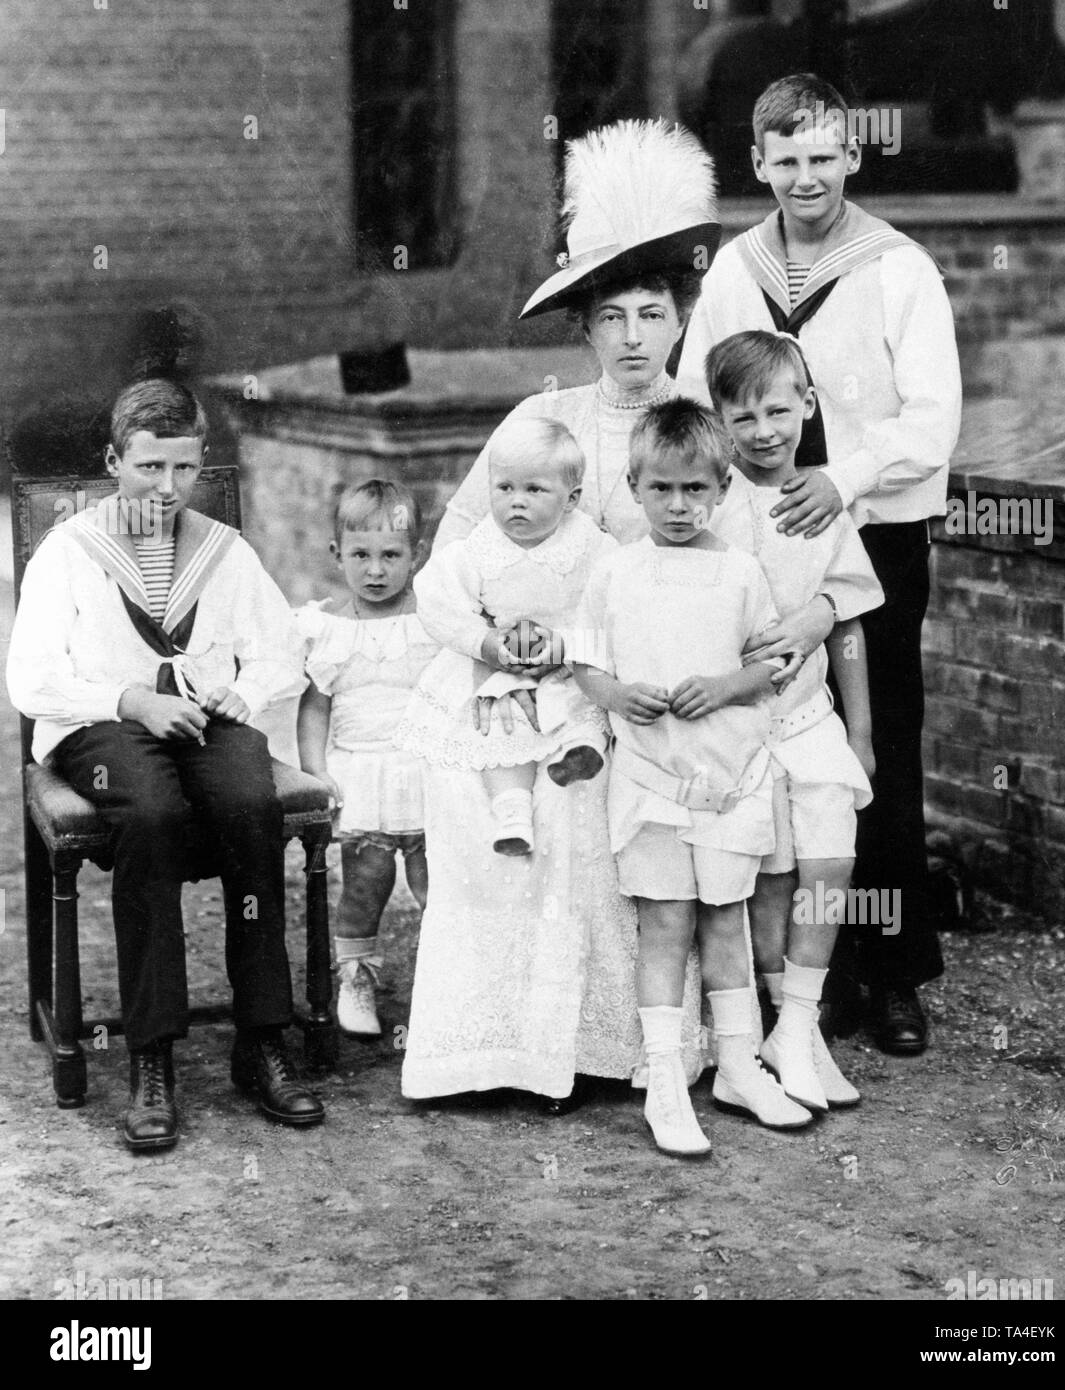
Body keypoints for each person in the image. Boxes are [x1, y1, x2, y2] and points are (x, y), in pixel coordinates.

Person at [399, 120, 724, 1109]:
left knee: (592, 786)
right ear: (582, 330)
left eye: (652, 313)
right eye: (612, 316)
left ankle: (613, 1041)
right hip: (525, 673)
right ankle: (497, 1043)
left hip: (643, 687)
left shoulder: (695, 431)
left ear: (679, 321)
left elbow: (731, 576)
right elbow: (459, 546)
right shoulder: (542, 426)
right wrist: (507, 637)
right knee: (492, 784)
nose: (632, 336)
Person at [678, 73, 962, 1055]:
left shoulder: (897, 268)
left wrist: (844, 479)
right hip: (761, 537)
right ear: (759, 166)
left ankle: (891, 973)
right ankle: (811, 972)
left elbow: (932, 419)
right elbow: (694, 399)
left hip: (869, 531)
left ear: (851, 155)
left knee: (873, 747)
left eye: (823, 157)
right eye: (785, 161)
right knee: (776, 744)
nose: (806, 179)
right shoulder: (731, 274)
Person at [6, 379, 324, 1152]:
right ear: (114, 461)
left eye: (183, 469)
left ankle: (261, 1038)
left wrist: (241, 695)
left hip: (206, 721)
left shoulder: (221, 549)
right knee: (148, 814)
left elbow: (281, 648)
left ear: (200, 463)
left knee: (250, 804)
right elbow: (32, 678)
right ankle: (152, 1054)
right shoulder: (71, 549)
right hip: (101, 724)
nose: (167, 488)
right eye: (149, 468)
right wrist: (132, 700)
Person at [573, 399, 815, 1157]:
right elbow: (584, 662)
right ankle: (667, 1078)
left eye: (695, 491)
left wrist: (724, 684)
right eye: (661, 490)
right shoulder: (614, 571)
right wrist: (614, 695)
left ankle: (740, 1064)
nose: (678, 507)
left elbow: (771, 664)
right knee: (666, 923)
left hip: (728, 779)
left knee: (726, 921)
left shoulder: (740, 571)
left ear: (721, 488)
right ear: (634, 487)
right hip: (651, 784)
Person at [707, 330, 884, 1110]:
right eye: (742, 417)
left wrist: (864, 732)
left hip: (809, 717)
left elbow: (846, 618)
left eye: (778, 411)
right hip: (740, 726)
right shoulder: (708, 503)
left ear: (807, 407)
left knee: (829, 860)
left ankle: (802, 1018)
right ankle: (789, 1033)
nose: (764, 431)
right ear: (718, 420)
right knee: (767, 877)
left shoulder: (816, 500)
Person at [400, 418, 612, 858]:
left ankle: (580, 754)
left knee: (580, 708)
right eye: (504, 488)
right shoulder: (478, 548)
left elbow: (617, 609)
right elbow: (436, 603)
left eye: (534, 490)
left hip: (568, 664)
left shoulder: (595, 548)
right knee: (498, 726)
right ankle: (512, 811)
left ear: (571, 499)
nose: (516, 502)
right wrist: (485, 643)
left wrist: (568, 646)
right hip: (502, 660)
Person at [295, 480, 438, 1038]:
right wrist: (317, 772)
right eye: (360, 555)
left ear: (416, 555)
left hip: (428, 766)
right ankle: (355, 976)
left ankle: (443, 982)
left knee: (437, 882)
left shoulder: (433, 620)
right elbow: (314, 709)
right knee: (366, 880)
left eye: (390, 555)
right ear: (337, 554)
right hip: (363, 769)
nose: (374, 570)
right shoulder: (328, 627)